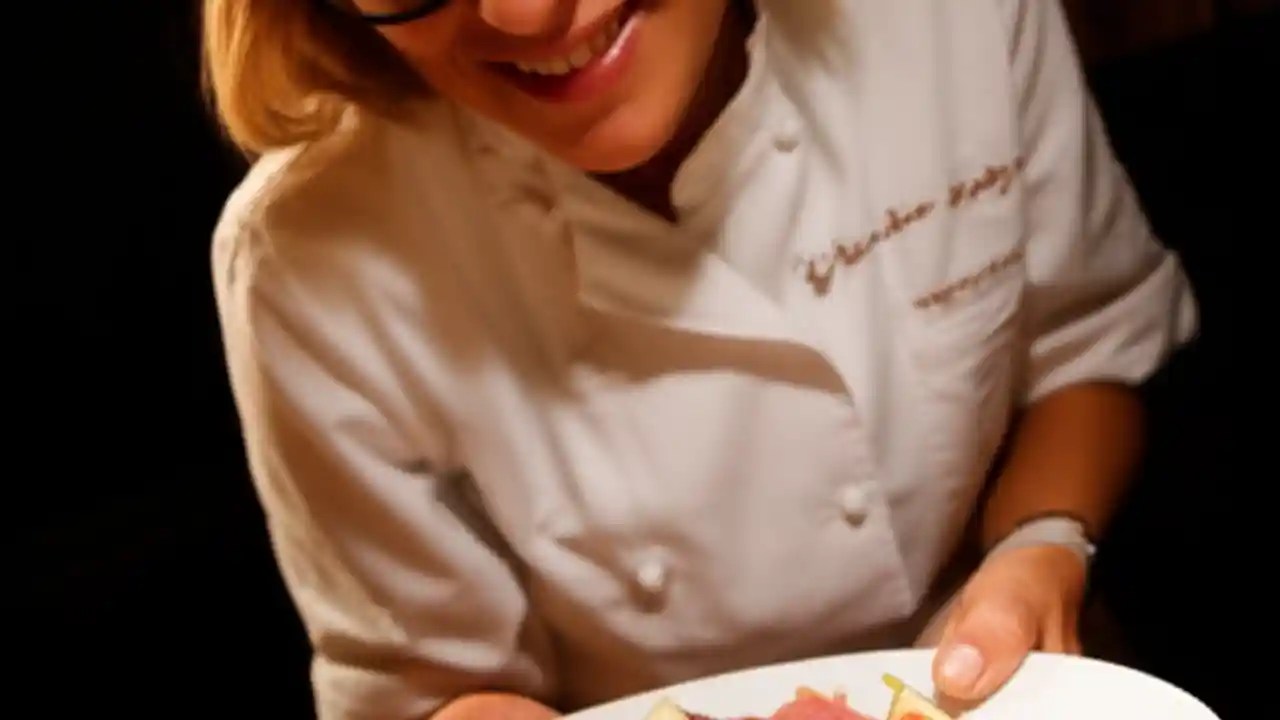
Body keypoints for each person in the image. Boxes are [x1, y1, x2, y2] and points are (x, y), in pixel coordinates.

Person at [201, 0, 1198, 718]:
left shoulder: (943, 19)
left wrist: (1042, 548)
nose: (524, 14)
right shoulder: (306, 255)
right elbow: (430, 690)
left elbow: (1086, 342)